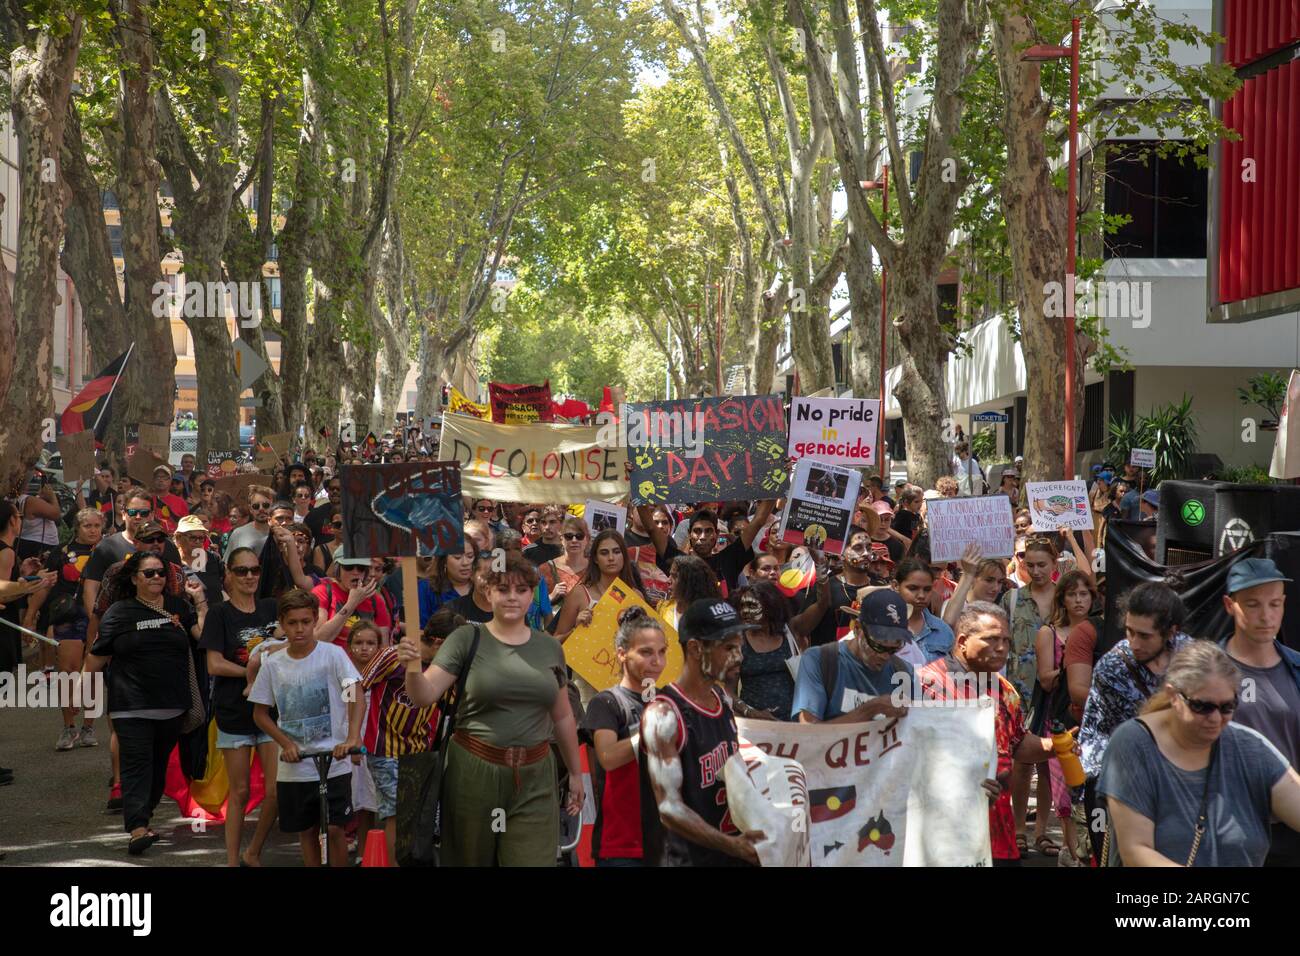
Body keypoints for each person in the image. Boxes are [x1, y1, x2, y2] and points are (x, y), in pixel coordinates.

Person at [398, 553, 584, 867]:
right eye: (503, 589)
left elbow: (563, 715)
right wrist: (412, 669)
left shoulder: (550, 647)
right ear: (488, 593)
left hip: (536, 775)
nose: (512, 597)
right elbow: (424, 696)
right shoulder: (465, 638)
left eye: (521, 589)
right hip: (473, 772)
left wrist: (576, 773)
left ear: (532, 595)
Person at [1099, 641, 1300, 867]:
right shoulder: (1133, 744)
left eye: (1227, 707)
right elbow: (1136, 852)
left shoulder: (1249, 747)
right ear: (1173, 696)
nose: (1215, 718)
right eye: (1202, 707)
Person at [84, 550, 208, 855]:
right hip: (131, 705)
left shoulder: (179, 607)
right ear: (135, 578)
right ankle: (137, 828)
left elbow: (203, 638)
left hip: (172, 704)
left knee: (157, 768)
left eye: (161, 573)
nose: (157, 578)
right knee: (136, 763)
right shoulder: (119, 612)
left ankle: (145, 815)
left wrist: (201, 601)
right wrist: (79, 688)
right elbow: (97, 657)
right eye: (149, 573)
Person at [917, 602, 1055, 866]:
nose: (1002, 647)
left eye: (1006, 640)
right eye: (991, 639)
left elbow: (1017, 743)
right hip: (944, 839)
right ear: (962, 641)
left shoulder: (1003, 688)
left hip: (999, 837)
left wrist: (1057, 746)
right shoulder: (926, 684)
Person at [641, 599, 764, 866]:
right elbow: (669, 809)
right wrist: (734, 846)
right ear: (696, 649)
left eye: (740, 647)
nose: (739, 656)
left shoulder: (721, 699)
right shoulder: (663, 715)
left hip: (729, 855)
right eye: (728, 647)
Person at [249, 588, 364, 867]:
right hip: (296, 765)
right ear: (282, 623)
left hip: (334, 761)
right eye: (292, 623)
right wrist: (285, 744)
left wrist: (350, 738)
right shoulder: (273, 664)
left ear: (315, 620)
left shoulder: (332, 655)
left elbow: (355, 693)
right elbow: (260, 714)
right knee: (308, 830)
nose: (299, 629)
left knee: (336, 829)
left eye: (306, 621)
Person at [1078, 582, 1190, 861]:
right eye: (1129, 632)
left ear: (1171, 631)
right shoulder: (1112, 668)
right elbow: (1107, 738)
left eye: (1144, 635)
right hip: (1123, 783)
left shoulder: (1193, 659)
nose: (1134, 643)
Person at [359, 607, 464, 864]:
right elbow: (355, 685)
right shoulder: (392, 656)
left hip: (421, 753)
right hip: (385, 749)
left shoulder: (446, 671)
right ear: (439, 643)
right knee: (397, 814)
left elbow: (454, 707)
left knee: (414, 816)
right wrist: (352, 734)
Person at [198, 546, 281, 867]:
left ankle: (254, 852)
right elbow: (214, 665)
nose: (250, 577)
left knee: (275, 792)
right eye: (242, 571)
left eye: (255, 570)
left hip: (270, 713)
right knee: (241, 792)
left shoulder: (271, 608)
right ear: (228, 576)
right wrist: (252, 670)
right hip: (234, 711)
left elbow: (298, 633)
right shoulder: (220, 613)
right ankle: (233, 860)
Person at [1217, 557, 1300, 866]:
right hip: (1229, 829)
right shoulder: (1206, 670)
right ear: (1229, 604)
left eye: (1274, 604)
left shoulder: (1296, 668)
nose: (1266, 616)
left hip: (1291, 831)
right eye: (1252, 605)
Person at [581, 606, 669, 866]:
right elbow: (607, 757)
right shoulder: (607, 702)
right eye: (645, 653)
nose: (657, 661)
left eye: (662, 652)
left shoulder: (671, 700)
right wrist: (648, 735)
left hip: (668, 840)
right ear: (621, 654)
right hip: (622, 844)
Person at [1027, 570, 1096, 862]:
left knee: (1090, 792)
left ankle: (1088, 851)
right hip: (1059, 721)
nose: (1079, 600)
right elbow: (1045, 678)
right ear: (1062, 599)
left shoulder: (1100, 630)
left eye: (1084, 594)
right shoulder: (1050, 632)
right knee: (1065, 794)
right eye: (1072, 594)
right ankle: (1072, 852)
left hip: (1092, 721)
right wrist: (1074, 667)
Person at [22, 507, 102, 750]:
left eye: (97, 526)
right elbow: (45, 586)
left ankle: (88, 727)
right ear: (77, 528)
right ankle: (69, 727)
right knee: (67, 671)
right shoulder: (61, 553)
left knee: (93, 674)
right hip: (69, 617)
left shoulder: (108, 551)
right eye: (87, 525)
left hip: (99, 617)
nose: (92, 530)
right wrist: (30, 616)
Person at [792, 589, 914, 724]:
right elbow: (808, 732)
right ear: (857, 628)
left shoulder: (903, 672)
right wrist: (870, 710)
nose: (885, 656)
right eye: (878, 646)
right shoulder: (819, 661)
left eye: (894, 648)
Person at [638, 500, 776, 596]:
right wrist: (635, 485)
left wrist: (779, 480)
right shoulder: (677, 562)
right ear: (689, 535)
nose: (703, 536)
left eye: (708, 531)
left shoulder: (729, 559)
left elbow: (758, 521)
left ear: (716, 534)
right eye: (697, 531)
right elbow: (650, 528)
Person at [726, 581, 801, 721]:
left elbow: (822, 604)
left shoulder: (788, 633)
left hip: (792, 724)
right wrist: (749, 712)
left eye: (752, 606)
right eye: (742, 606)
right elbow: (728, 690)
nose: (745, 611)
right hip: (756, 728)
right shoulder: (738, 643)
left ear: (769, 607)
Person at [553, 529, 646, 642]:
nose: (611, 558)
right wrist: (575, 630)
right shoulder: (579, 593)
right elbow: (555, 641)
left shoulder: (635, 596)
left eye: (616, 551)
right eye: (604, 553)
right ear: (596, 559)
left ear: (624, 556)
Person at [790, 527, 873, 647]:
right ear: (841, 553)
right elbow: (801, 630)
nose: (866, 553)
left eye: (869, 548)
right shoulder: (825, 588)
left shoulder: (881, 586)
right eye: (858, 548)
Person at [312, 557, 390, 648]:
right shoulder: (322, 592)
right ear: (338, 570)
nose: (355, 572)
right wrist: (351, 604)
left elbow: (383, 647)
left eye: (361, 568)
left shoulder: (375, 600)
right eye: (349, 567)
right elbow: (319, 640)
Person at [892, 557, 955, 664]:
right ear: (896, 586)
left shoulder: (943, 631)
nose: (921, 595)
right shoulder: (880, 628)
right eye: (913, 588)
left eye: (927, 589)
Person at [416, 536, 475, 628]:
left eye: (470, 556)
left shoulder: (484, 587)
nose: (465, 563)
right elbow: (419, 629)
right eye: (457, 557)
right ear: (444, 561)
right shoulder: (425, 588)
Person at [537, 515, 589, 610]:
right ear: (561, 539)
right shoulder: (545, 569)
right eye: (569, 536)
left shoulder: (595, 569)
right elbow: (532, 607)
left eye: (579, 536)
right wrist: (551, 597)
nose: (574, 540)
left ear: (587, 539)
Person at [657, 554, 721, 631]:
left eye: (674, 576)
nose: (668, 581)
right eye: (669, 575)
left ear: (691, 581)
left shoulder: (712, 616)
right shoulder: (662, 608)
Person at [223, 485, 275, 560]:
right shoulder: (238, 533)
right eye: (256, 506)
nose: (261, 509)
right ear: (250, 509)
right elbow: (227, 565)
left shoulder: (281, 533)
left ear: (272, 506)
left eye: (265, 505)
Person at [146, 464, 189, 534]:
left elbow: (186, 525)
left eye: (164, 477)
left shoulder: (180, 502)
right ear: (153, 480)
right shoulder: (146, 500)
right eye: (158, 477)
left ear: (170, 480)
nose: (161, 480)